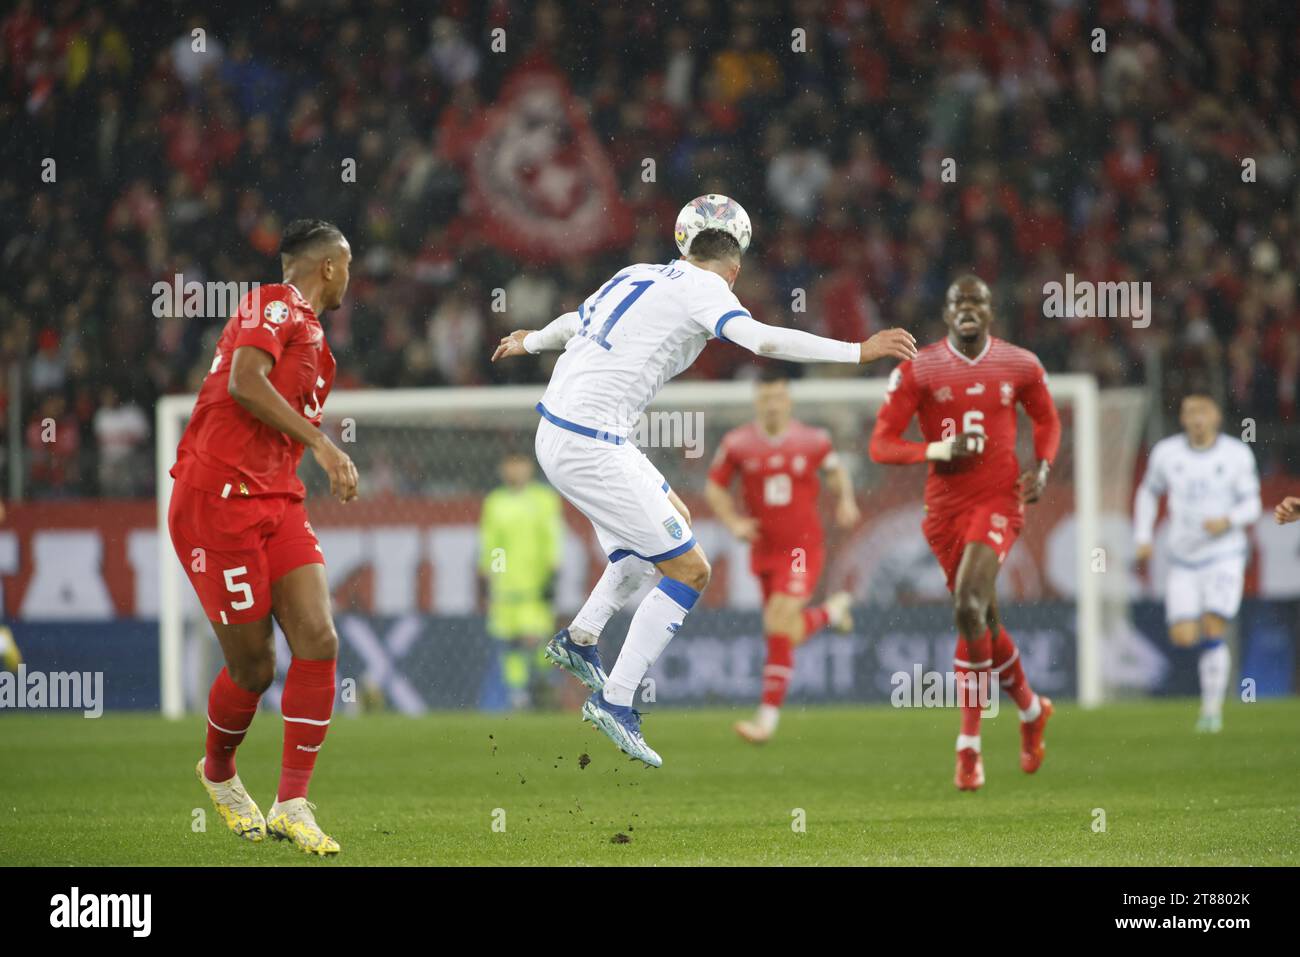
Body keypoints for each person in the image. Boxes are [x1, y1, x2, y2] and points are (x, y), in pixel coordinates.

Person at [492, 194, 916, 766]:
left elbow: (575, 321)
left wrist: (529, 340)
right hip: (589, 441)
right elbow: (762, 341)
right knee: (690, 570)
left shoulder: (636, 273)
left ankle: (581, 638)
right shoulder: (708, 290)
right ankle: (616, 701)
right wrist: (857, 350)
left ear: (682, 244)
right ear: (735, 265)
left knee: (661, 536)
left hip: (571, 431)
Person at [168, 219, 357, 854]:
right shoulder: (273, 303)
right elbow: (244, 383)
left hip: (276, 500)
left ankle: (293, 804)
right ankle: (218, 773)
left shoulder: (318, 341)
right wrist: (324, 447)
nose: (350, 279)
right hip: (216, 501)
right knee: (253, 667)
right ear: (329, 266)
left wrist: (307, 457)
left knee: (319, 638)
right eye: (348, 267)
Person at [869, 274, 1060, 791]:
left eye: (978, 299)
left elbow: (1046, 420)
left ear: (990, 311)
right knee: (983, 619)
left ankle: (969, 746)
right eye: (959, 301)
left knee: (969, 607)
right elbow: (882, 444)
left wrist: (1041, 468)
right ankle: (1030, 708)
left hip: (999, 501)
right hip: (944, 511)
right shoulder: (919, 368)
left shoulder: (1020, 364)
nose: (969, 307)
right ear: (947, 313)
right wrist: (936, 450)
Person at [705, 366, 857, 743]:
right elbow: (714, 489)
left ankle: (766, 723)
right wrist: (734, 523)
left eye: (778, 397)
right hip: (763, 551)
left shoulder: (813, 440)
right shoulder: (738, 443)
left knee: (777, 620)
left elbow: (836, 472)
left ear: (788, 400)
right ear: (757, 401)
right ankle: (831, 612)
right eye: (765, 398)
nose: (772, 404)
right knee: (783, 630)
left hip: (801, 549)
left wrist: (846, 500)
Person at [1134, 394, 1261, 733]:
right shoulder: (1166, 454)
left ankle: (1211, 710)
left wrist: (1228, 520)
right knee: (1184, 635)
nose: (1197, 418)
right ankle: (1208, 690)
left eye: (1203, 411)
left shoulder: (1236, 454)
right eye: (1190, 412)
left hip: (1224, 555)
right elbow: (1147, 493)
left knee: (1214, 625)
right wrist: (1143, 537)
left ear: (1217, 416)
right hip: (1182, 560)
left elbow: (1252, 504)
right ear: (1183, 418)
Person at [477, 451, 564, 709]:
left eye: (519, 465)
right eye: (509, 465)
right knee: (510, 644)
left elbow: (551, 536)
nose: (514, 471)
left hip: (535, 586)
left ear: (529, 468)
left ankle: (543, 688)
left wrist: (553, 570)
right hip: (506, 587)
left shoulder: (543, 499)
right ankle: (518, 696)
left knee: (537, 641)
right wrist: (492, 573)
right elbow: (493, 542)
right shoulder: (495, 502)